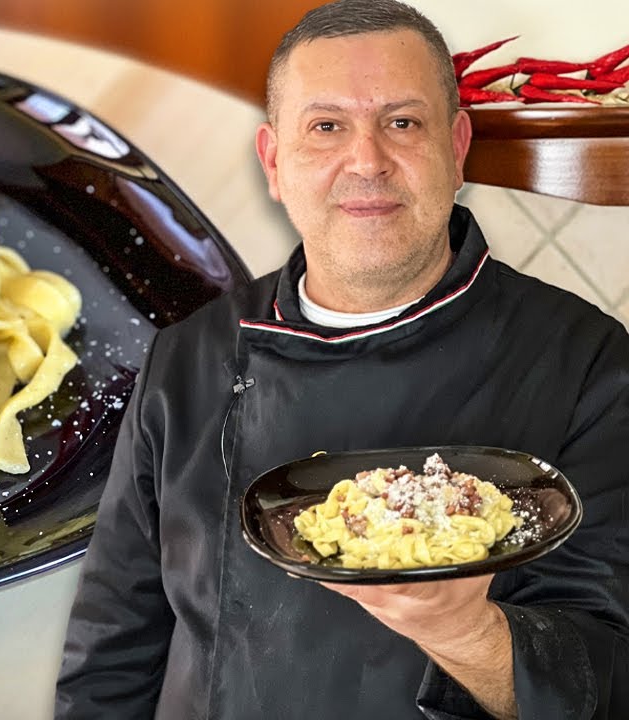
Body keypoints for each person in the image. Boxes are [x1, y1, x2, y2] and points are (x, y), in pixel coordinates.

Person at [53, 1, 629, 718]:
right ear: (274, 162)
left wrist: (466, 633)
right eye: (326, 127)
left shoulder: (588, 365)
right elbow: (113, 647)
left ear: (457, 147)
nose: (366, 160)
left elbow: (612, 679)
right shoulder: (190, 354)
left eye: (402, 123)